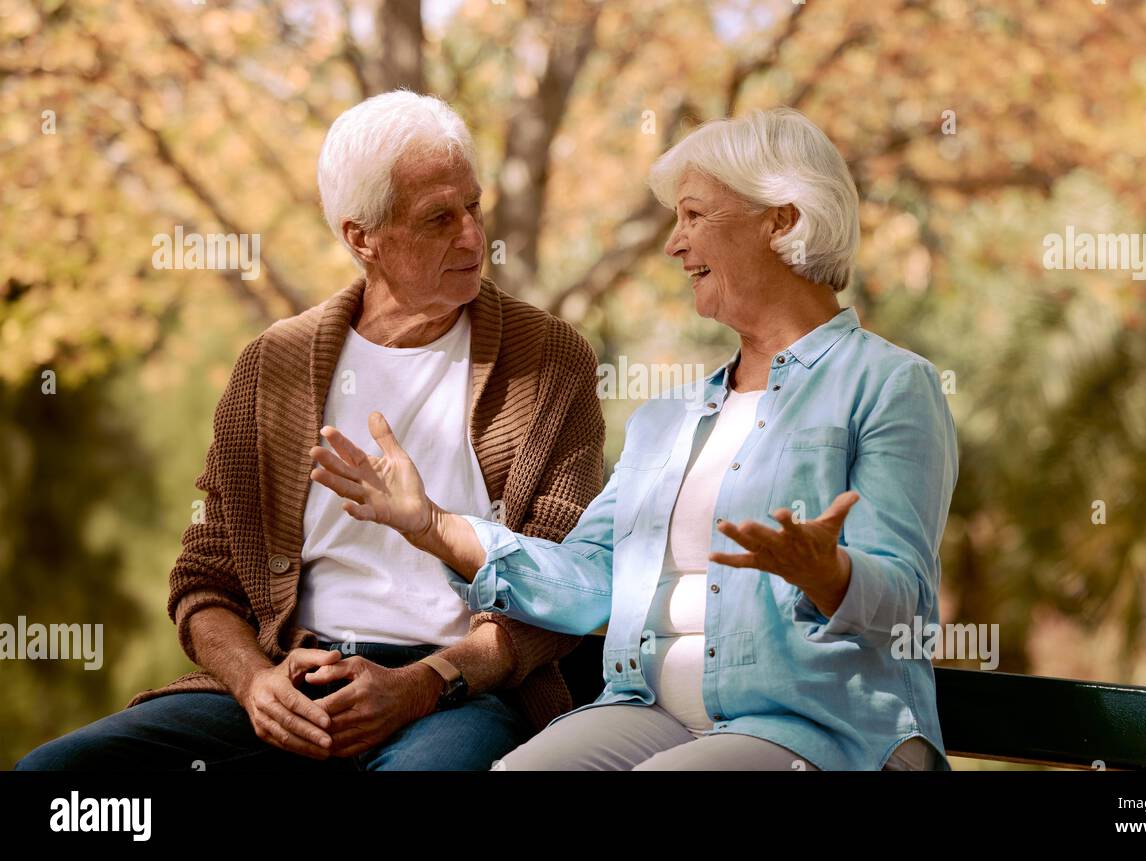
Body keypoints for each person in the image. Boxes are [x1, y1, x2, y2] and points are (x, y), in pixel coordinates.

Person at [309, 107, 960, 771]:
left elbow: (904, 598)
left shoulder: (887, 384)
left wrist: (830, 573)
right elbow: (592, 580)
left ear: (782, 218)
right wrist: (433, 524)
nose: (675, 244)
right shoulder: (669, 418)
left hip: (818, 726)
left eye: (694, 216)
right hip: (649, 709)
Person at [17, 91, 605, 771]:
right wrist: (255, 683)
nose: (473, 237)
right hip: (292, 672)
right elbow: (204, 581)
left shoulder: (551, 358)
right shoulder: (275, 364)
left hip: (459, 691)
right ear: (362, 237)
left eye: (473, 206)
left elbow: (561, 587)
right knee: (56, 779)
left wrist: (421, 683)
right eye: (440, 218)